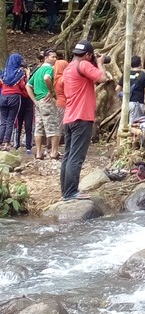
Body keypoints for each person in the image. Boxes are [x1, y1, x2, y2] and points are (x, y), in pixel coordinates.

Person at [61, 39, 107, 200]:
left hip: (69, 117)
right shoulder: (84, 64)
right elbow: (102, 78)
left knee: (68, 156)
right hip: (82, 117)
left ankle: (65, 192)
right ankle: (72, 192)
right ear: (87, 55)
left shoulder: (68, 68)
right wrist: (100, 62)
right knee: (76, 157)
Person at [27, 50, 61, 160]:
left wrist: (34, 100)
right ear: (46, 58)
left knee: (39, 127)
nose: (55, 59)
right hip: (47, 101)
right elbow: (47, 78)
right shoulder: (49, 69)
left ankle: (38, 152)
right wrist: (51, 91)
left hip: (38, 101)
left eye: (56, 57)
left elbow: (28, 85)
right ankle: (54, 152)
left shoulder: (37, 70)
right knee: (53, 125)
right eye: (52, 57)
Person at [0, 53, 28, 149]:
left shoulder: (4, 72)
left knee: (3, 121)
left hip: (3, 97)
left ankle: (0, 141)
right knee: (11, 120)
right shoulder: (19, 73)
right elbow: (23, 86)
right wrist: (27, 76)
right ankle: (7, 143)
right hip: (14, 97)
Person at [120, 55, 145, 123]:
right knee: (135, 124)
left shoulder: (126, 74)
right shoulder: (144, 76)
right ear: (141, 64)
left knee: (125, 123)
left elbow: (117, 88)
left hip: (126, 103)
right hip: (136, 103)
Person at [15, 63, 35, 154]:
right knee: (18, 125)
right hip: (20, 100)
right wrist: (26, 76)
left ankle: (28, 146)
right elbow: (24, 86)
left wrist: (28, 75)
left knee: (28, 125)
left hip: (29, 101)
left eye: (25, 68)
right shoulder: (18, 77)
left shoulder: (31, 76)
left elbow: (32, 86)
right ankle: (16, 144)